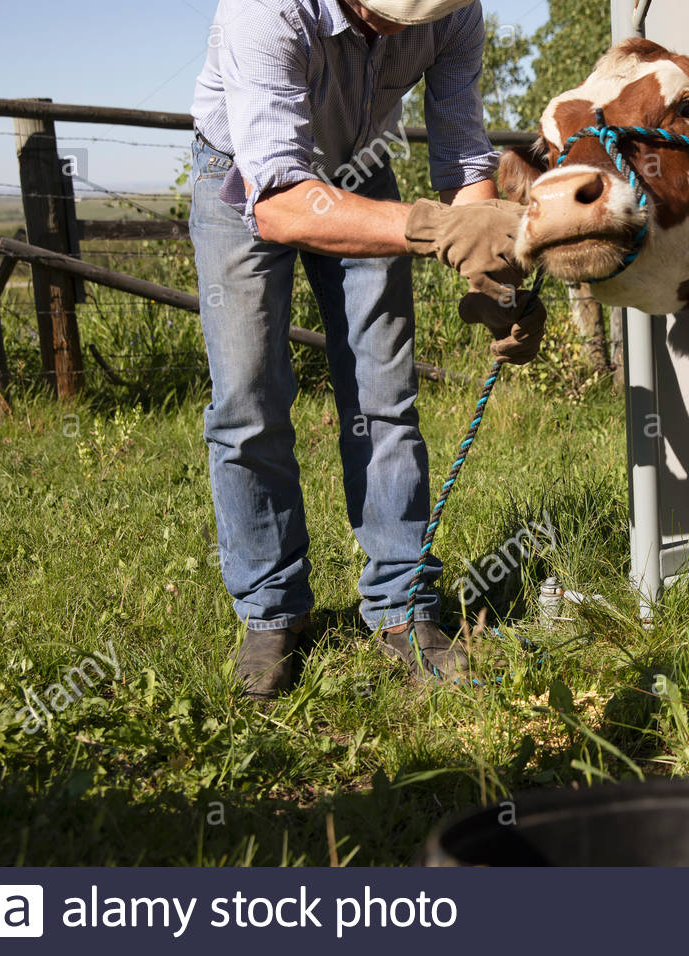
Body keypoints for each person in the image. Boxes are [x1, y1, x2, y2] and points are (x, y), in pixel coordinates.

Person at [189, 0, 544, 696]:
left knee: (385, 395)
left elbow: (461, 149)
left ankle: (402, 608)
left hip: (359, 168)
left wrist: (494, 276)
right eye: (382, 14)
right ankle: (270, 613)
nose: (397, 29)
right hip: (244, 182)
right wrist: (428, 229)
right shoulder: (264, 10)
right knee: (247, 399)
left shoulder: (453, 13)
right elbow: (282, 200)